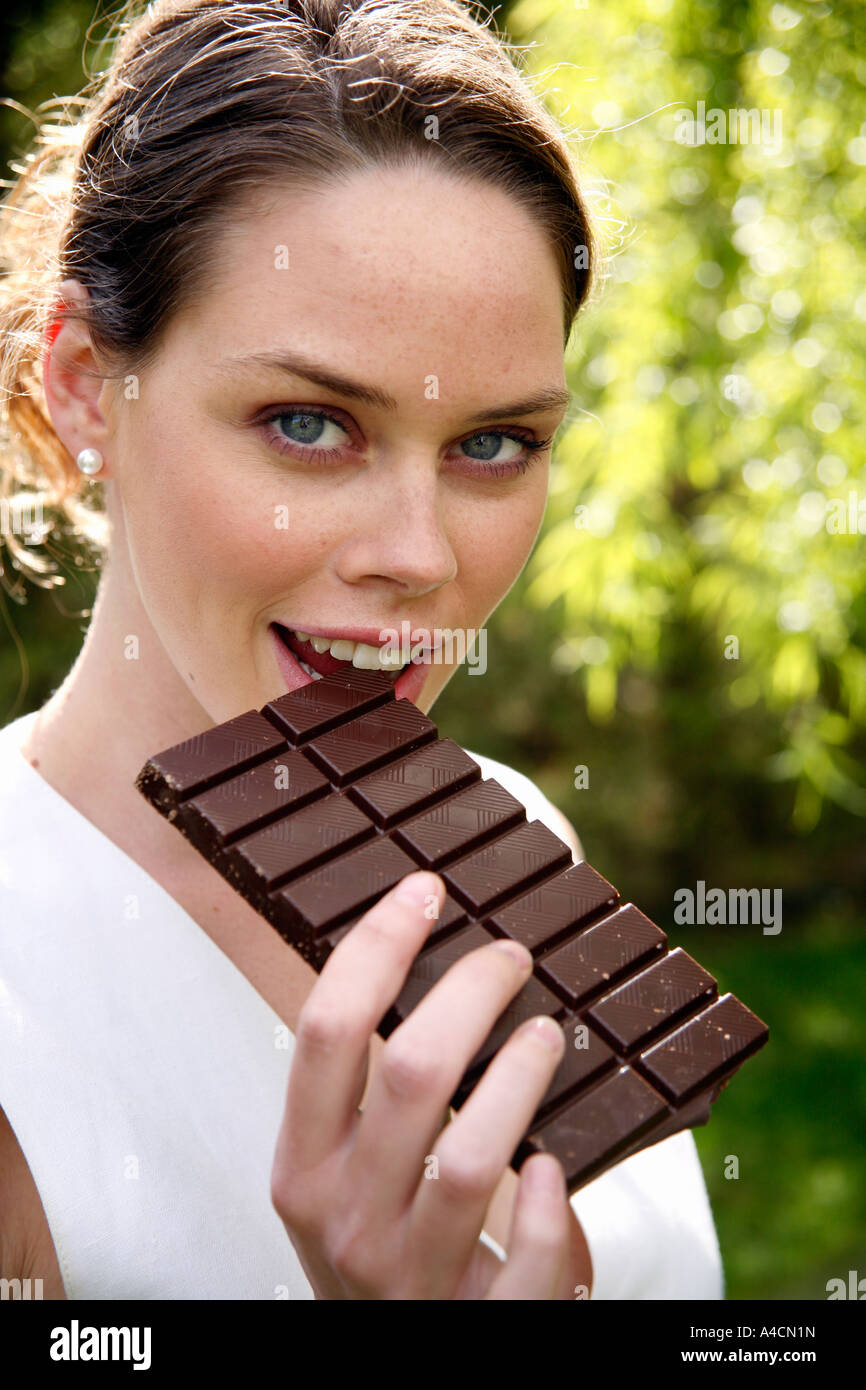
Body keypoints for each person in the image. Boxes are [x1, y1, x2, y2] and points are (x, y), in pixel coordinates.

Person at [0, 0, 723, 1299]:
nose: (421, 555)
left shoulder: (519, 836)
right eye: (307, 422)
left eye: (493, 443)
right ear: (80, 380)